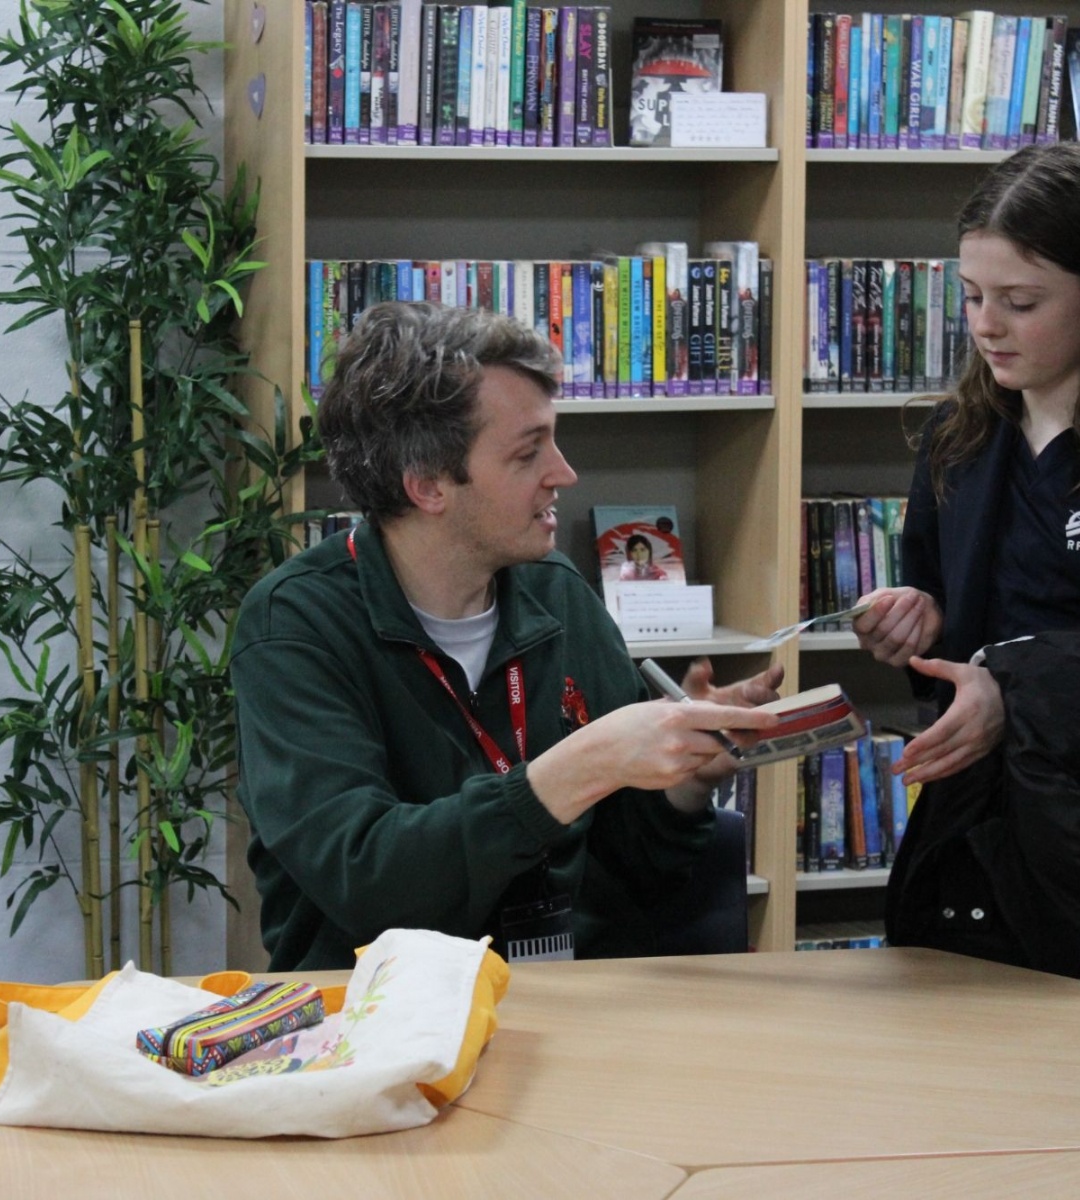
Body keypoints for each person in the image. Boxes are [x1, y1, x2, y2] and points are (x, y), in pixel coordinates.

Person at [231, 301, 783, 970]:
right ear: (428, 485)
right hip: (379, 1011)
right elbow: (369, 880)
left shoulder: (559, 594)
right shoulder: (294, 626)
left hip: (576, 1004)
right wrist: (583, 765)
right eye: (528, 452)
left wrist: (688, 779)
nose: (564, 473)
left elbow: (637, 866)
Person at [851, 142, 1080, 975]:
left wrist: (1009, 687)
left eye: (1021, 302)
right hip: (975, 834)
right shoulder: (961, 436)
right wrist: (918, 621)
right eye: (973, 295)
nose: (986, 325)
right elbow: (949, 614)